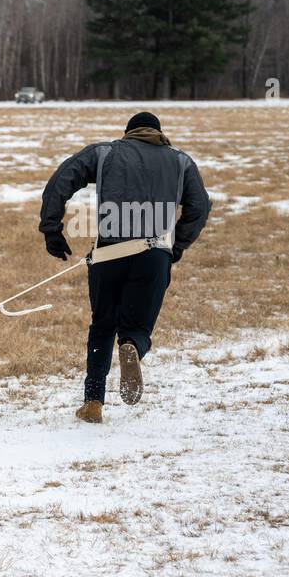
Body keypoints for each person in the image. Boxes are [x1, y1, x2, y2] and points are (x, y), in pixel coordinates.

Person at [39, 111, 210, 423]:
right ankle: (132, 346)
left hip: (108, 253)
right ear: (158, 134)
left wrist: (51, 228)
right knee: (137, 326)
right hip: (154, 254)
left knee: (103, 325)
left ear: (128, 133)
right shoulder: (181, 161)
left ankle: (93, 401)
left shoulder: (104, 153)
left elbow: (63, 178)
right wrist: (178, 245)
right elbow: (199, 207)